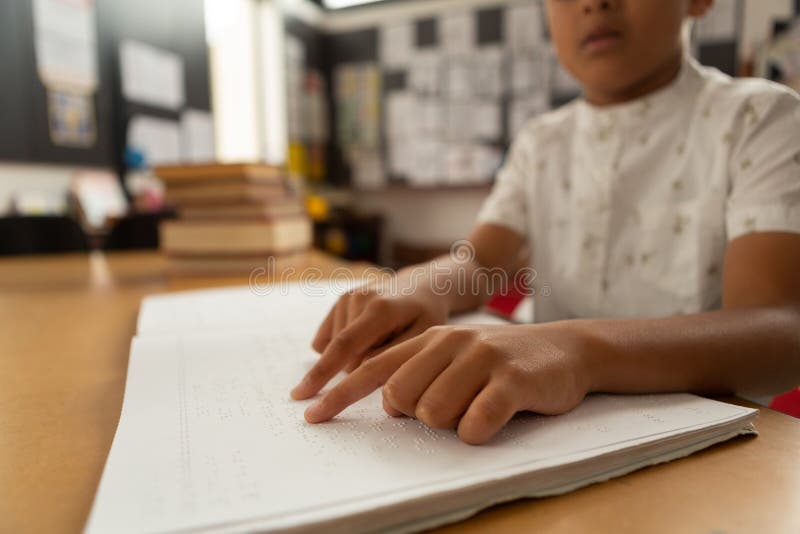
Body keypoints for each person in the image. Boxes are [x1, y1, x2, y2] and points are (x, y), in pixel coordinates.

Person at [291, 0, 800, 444]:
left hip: (720, 448)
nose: (593, 3)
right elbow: (481, 261)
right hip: (551, 438)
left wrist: (578, 350)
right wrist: (422, 283)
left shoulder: (761, 118)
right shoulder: (542, 141)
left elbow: (780, 331)